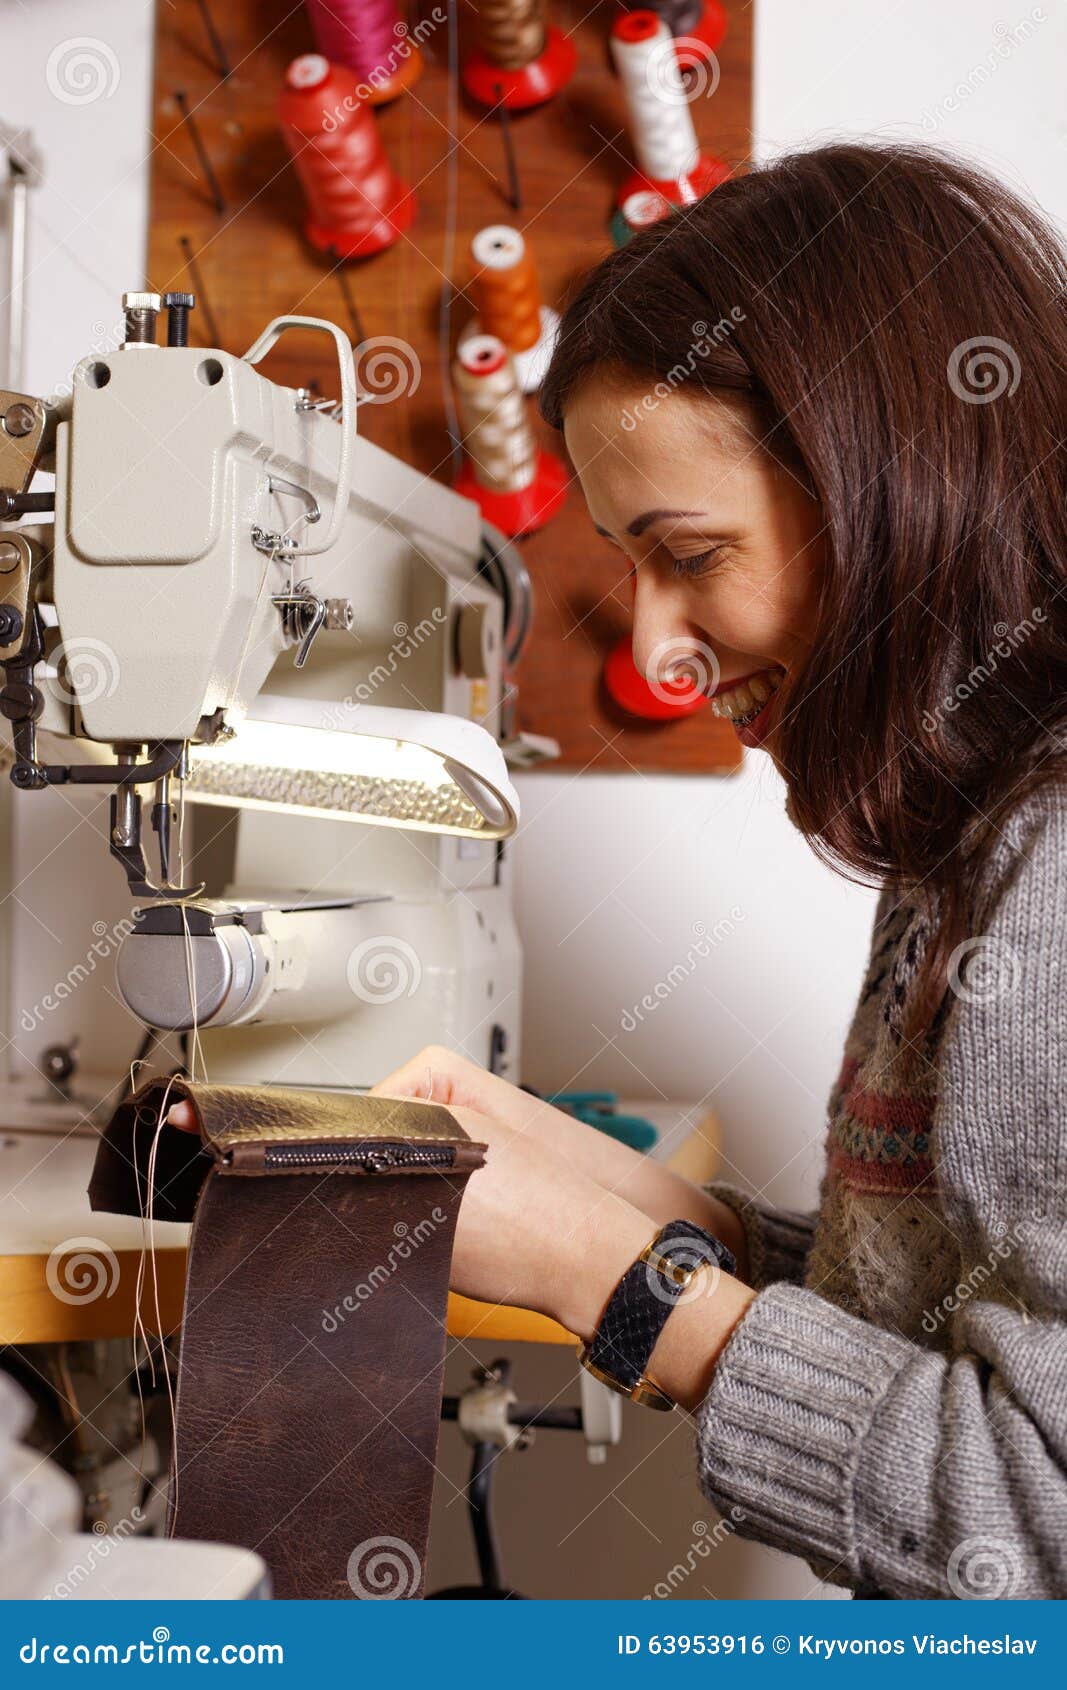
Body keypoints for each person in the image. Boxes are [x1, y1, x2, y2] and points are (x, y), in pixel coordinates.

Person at [173, 143, 1067, 1599]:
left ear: (897, 486)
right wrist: (662, 1218)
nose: (654, 647)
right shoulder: (968, 832)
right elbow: (954, 1316)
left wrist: (613, 1281)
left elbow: (1036, 1524)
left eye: (690, 554)